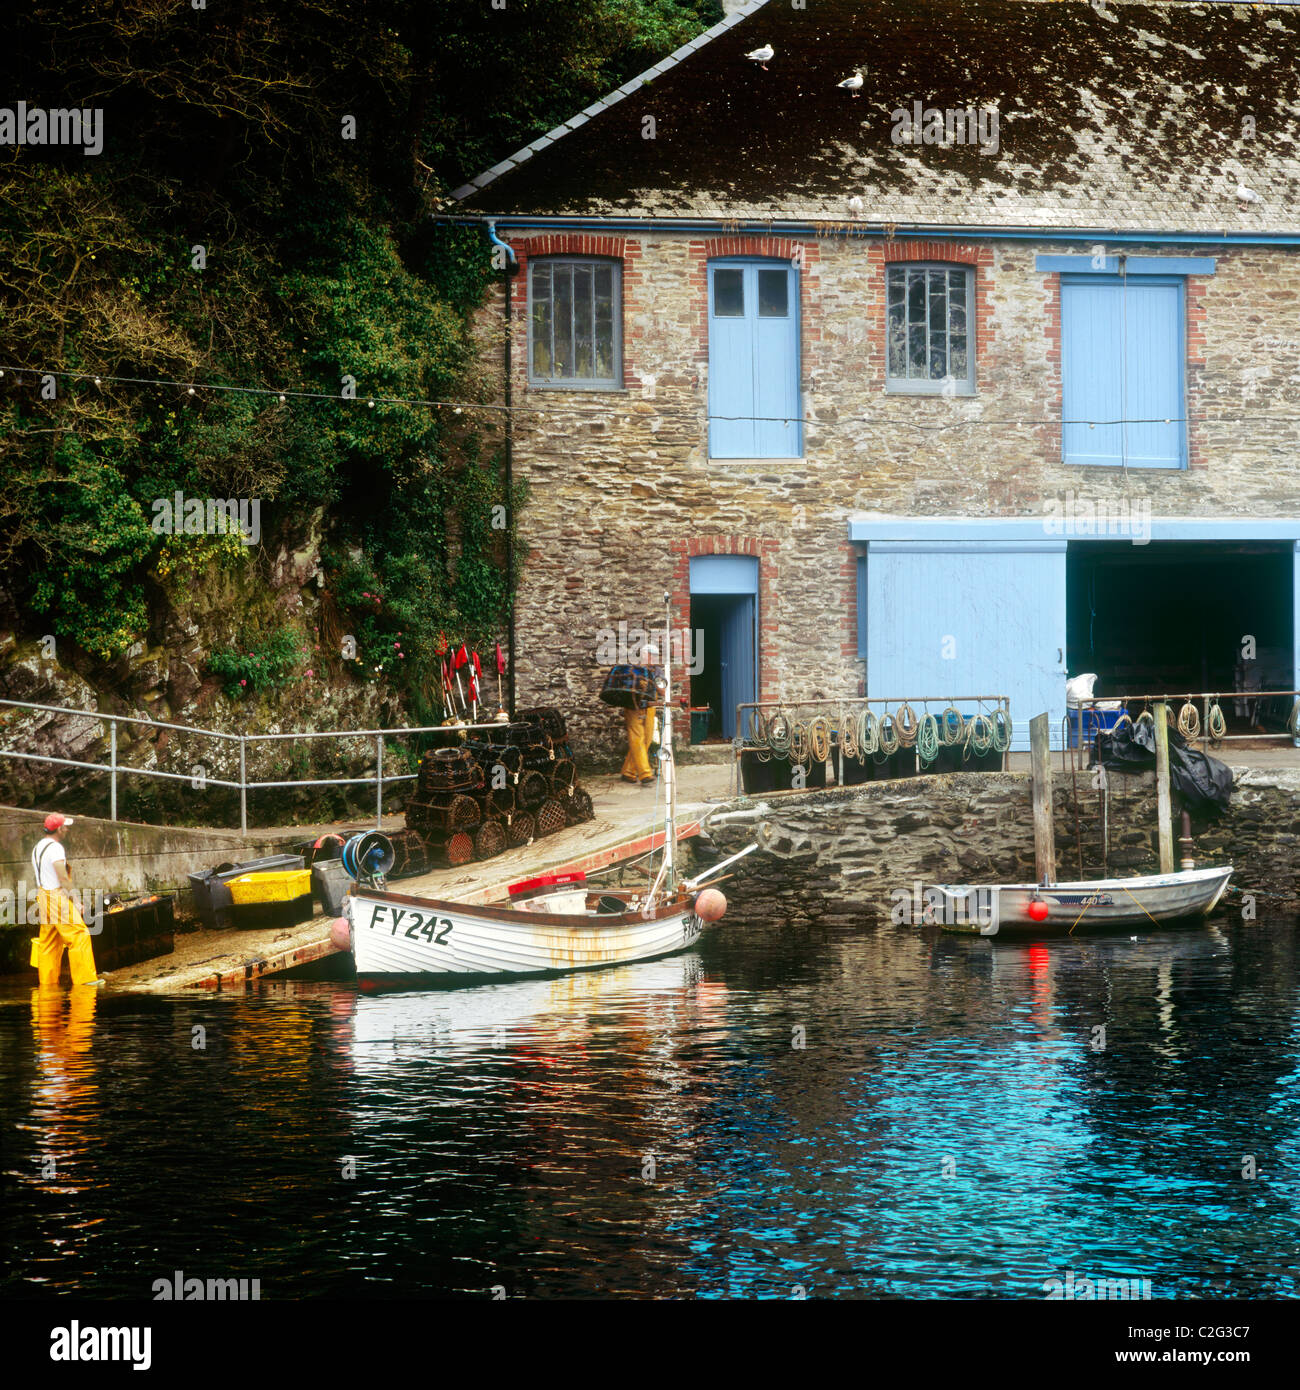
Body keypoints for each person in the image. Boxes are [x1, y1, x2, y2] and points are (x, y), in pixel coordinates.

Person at [30, 814, 101, 988]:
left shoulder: (38, 847)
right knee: (79, 934)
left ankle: (48, 984)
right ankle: (86, 980)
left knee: (49, 942)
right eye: (65, 827)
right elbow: (62, 877)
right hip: (56, 896)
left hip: (43, 896)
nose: (67, 829)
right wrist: (76, 901)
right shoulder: (56, 848)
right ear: (59, 829)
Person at [620, 643, 662, 785]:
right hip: (633, 706)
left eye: (656, 655)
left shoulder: (657, 671)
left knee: (647, 739)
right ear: (644, 655)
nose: (654, 658)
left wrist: (656, 682)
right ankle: (645, 773)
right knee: (637, 737)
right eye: (652, 655)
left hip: (650, 706)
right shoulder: (632, 669)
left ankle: (629, 772)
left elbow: (663, 690)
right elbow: (625, 689)